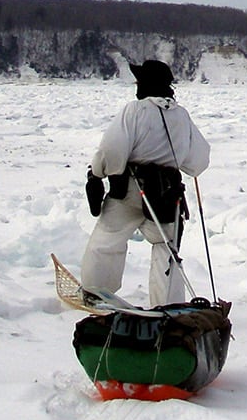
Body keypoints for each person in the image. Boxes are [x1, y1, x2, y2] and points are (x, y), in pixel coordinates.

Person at [79, 59, 211, 307]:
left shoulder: (135, 110)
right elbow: (198, 162)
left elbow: (111, 150)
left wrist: (97, 174)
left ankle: (96, 294)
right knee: (166, 248)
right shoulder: (182, 116)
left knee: (107, 240)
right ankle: (168, 304)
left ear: (145, 84)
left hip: (129, 191)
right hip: (167, 196)